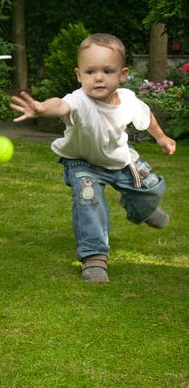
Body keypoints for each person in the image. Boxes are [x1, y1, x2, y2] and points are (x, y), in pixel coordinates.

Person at [10, 33, 176, 283]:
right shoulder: (78, 100)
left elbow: (147, 116)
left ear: (122, 74)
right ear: (79, 75)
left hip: (120, 159)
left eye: (107, 71)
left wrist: (161, 137)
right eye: (90, 72)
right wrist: (43, 108)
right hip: (82, 162)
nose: (98, 77)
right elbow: (61, 105)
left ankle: (141, 207)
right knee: (89, 202)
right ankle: (94, 256)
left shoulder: (128, 100)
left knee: (151, 189)